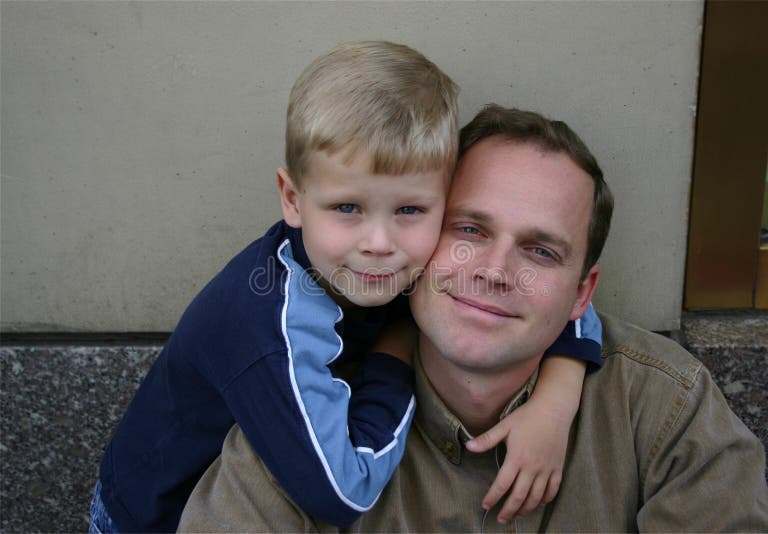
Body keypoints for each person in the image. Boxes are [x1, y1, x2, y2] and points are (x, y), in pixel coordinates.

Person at [177, 104, 768, 532]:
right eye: (468, 229)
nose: (496, 270)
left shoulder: (663, 407)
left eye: (540, 249)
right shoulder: (310, 398)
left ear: (582, 294)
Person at [89, 44, 602, 532]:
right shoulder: (269, 322)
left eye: (409, 210)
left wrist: (556, 403)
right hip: (156, 513)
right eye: (347, 208)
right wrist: (395, 352)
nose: (378, 243)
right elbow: (340, 490)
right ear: (293, 199)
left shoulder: (405, 258)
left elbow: (551, 294)